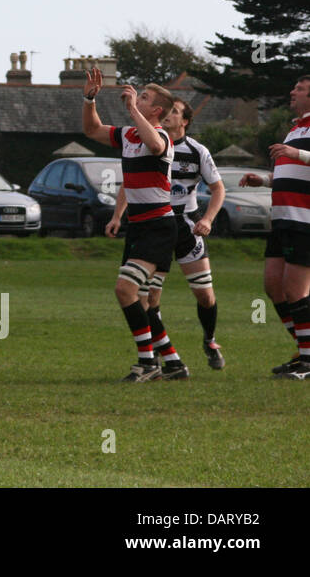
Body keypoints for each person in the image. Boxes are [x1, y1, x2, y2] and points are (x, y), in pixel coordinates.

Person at [106, 98, 226, 373]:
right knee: (148, 299)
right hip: (156, 226)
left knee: (205, 297)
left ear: (185, 121)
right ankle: (164, 357)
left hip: (186, 226)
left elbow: (218, 188)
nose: (168, 115)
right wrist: (117, 215)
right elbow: (130, 181)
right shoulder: (145, 142)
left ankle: (209, 340)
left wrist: (207, 219)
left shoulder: (197, 151)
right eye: (167, 110)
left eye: (175, 112)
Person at [81, 68, 176, 382]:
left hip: (159, 226)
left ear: (155, 111)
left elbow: (157, 147)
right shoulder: (127, 134)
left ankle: (148, 363)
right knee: (143, 299)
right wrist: (89, 99)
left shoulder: (160, 135)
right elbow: (91, 130)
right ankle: (165, 363)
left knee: (125, 289)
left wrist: (133, 109)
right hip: (138, 226)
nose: (137, 98)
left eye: (144, 98)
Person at [238, 75, 310, 378]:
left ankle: (307, 361)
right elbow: (291, 173)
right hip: (282, 218)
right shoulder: (296, 128)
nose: (292, 91)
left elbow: (300, 161)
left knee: (296, 289)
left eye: (301, 88)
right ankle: (303, 348)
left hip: (304, 220)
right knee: (273, 286)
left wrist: (298, 154)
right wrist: (264, 180)